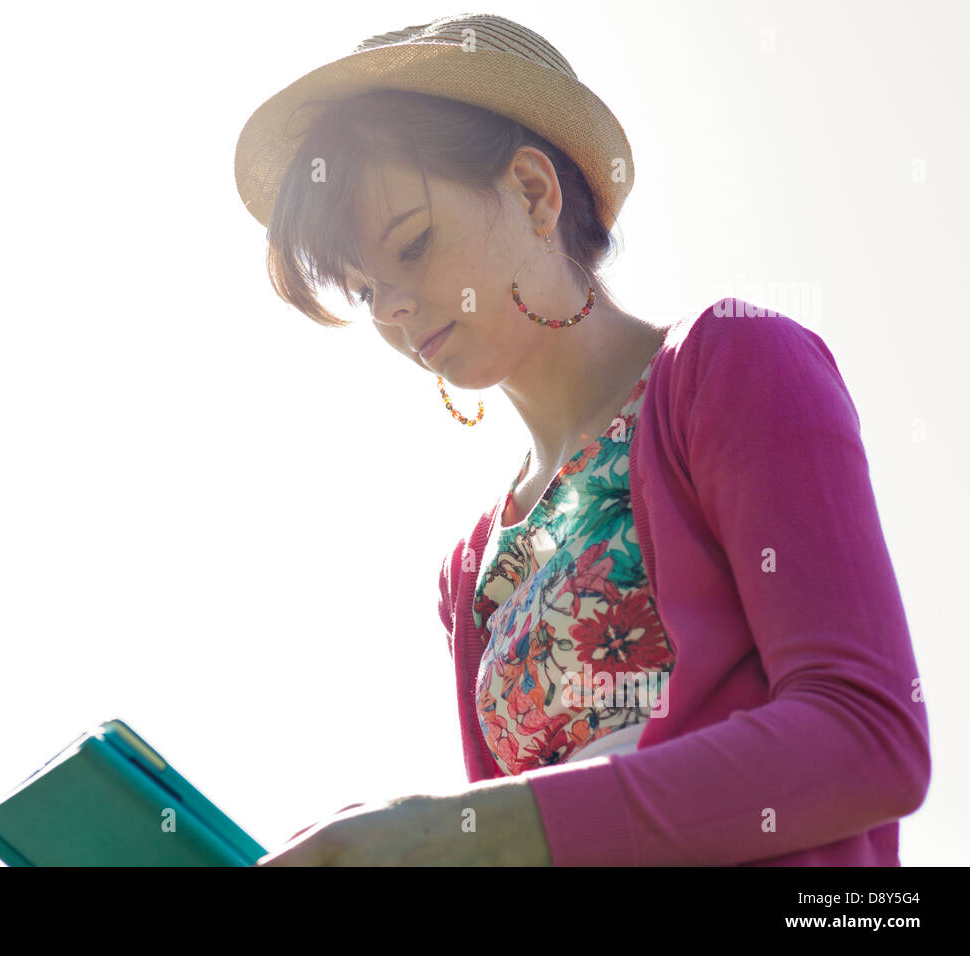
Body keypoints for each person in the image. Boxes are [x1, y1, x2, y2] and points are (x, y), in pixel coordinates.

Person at [234, 14, 930, 866]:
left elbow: (867, 734)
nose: (392, 310)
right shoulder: (472, 571)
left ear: (534, 192)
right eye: (363, 289)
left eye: (412, 247)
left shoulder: (733, 363)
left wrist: (454, 829)